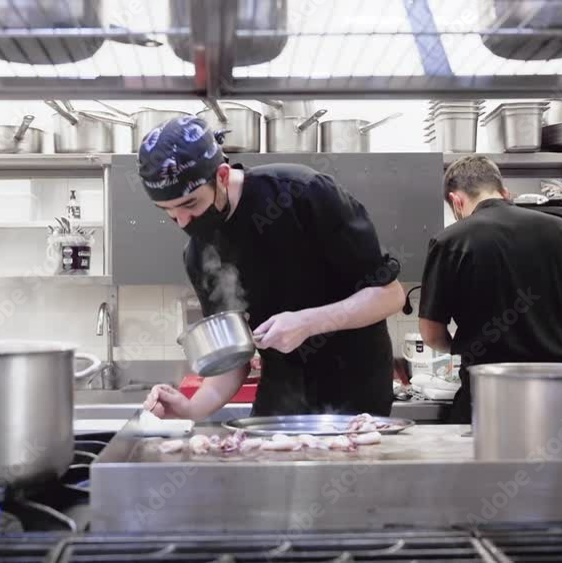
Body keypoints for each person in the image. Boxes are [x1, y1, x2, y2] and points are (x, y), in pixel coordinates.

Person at [139, 116, 405, 420]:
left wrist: (308, 323)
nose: (183, 222)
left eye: (189, 204)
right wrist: (189, 409)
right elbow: (234, 360)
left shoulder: (301, 193)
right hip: (279, 402)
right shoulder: (199, 255)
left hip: (356, 398)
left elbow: (390, 295)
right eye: (168, 212)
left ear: (222, 176)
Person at [418, 155, 562, 424]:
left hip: (488, 397)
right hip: (558, 396)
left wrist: (469, 345)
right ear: (505, 192)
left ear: (456, 201)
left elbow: (431, 334)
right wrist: (541, 332)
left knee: (485, 466)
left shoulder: (449, 241)